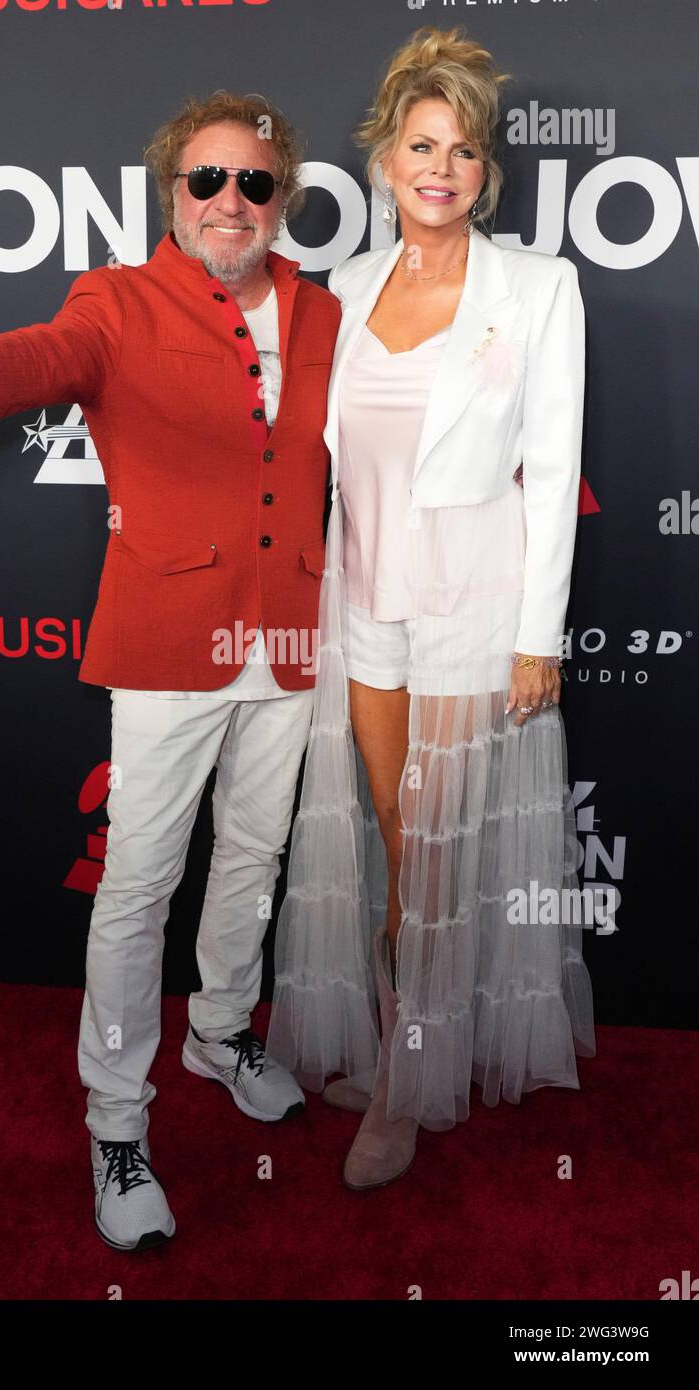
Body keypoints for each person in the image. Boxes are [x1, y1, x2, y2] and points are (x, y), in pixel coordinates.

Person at [0, 90, 341, 1249]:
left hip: (291, 636)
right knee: (137, 887)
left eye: (254, 183)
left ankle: (221, 1034)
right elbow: (44, 358)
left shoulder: (324, 312)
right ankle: (117, 1120)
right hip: (169, 643)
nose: (231, 201)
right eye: (206, 181)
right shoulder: (117, 300)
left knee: (257, 853)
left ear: (284, 199)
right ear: (170, 193)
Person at [266, 27, 596, 1190]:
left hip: (470, 602)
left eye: (459, 149)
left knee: (439, 858)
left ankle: (407, 1086)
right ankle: (420, 1040)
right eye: (419, 144)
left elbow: (553, 471)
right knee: (395, 839)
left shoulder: (537, 288)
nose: (438, 167)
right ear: (383, 160)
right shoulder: (341, 290)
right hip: (364, 597)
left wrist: (534, 637)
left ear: (483, 169)